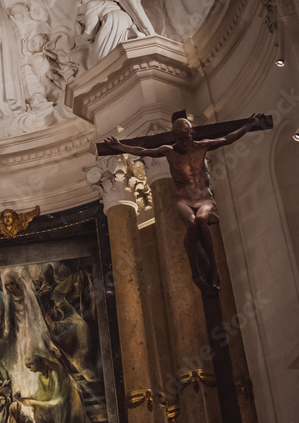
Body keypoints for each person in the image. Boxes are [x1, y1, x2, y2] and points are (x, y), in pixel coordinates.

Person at [105, 114, 262, 293]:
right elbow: (143, 151)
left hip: (204, 198)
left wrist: (248, 126)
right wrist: (120, 147)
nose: (184, 140)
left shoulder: (202, 146)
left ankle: (213, 266)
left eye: (186, 136)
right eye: (179, 138)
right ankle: (195, 273)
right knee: (192, 224)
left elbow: (226, 139)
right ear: (174, 137)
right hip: (184, 200)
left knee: (202, 220)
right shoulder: (169, 151)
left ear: (191, 133)